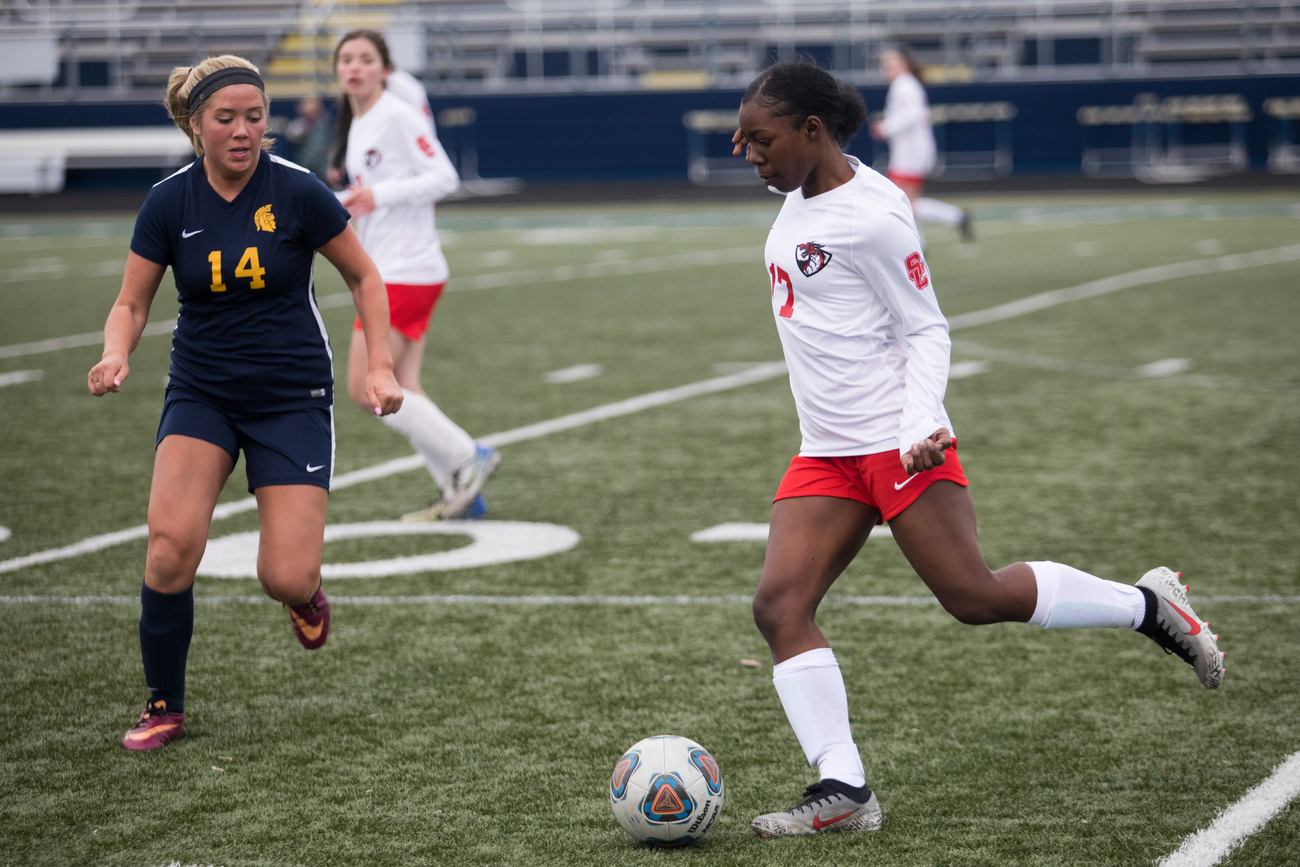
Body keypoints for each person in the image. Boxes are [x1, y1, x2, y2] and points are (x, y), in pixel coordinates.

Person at [731, 61, 1224, 838]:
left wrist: (918, 422)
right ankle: (844, 787)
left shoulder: (874, 214)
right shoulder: (798, 195)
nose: (742, 151)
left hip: (898, 443)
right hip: (825, 450)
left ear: (811, 131)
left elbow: (927, 327)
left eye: (757, 138)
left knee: (975, 596)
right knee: (779, 606)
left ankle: (1149, 606)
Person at [88, 55, 403, 751]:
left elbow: (364, 275)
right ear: (196, 124)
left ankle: (305, 594)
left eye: (254, 117)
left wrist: (379, 367)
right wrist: (116, 353)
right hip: (202, 389)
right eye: (226, 119)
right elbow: (131, 301)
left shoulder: (297, 191)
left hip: (292, 394)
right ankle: (163, 701)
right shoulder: (169, 201)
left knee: (283, 574)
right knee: (170, 548)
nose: (242, 131)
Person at [332, 29, 498, 521]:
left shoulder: (397, 115)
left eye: (365, 59)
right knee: (401, 387)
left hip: (405, 270)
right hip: (391, 268)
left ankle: (469, 456)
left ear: (385, 69)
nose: (354, 67)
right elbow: (369, 193)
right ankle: (458, 492)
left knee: (366, 387)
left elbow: (444, 177)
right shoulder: (359, 122)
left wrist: (378, 197)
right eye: (346, 60)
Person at [868, 48, 973, 242]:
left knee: (900, 200)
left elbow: (911, 114)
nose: (886, 69)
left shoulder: (904, 84)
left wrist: (886, 127)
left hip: (911, 153)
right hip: (911, 151)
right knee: (905, 201)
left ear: (904, 65)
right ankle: (953, 219)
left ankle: (936, 230)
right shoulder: (906, 84)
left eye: (891, 64)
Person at [285, 95, 333, 179]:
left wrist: (332, 166)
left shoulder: (327, 124)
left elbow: (334, 145)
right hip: (305, 170)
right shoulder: (300, 124)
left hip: (323, 171)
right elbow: (292, 137)